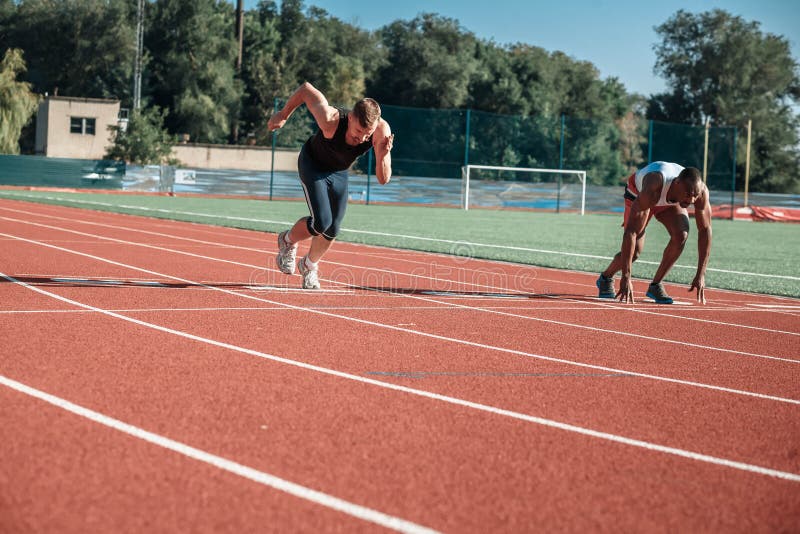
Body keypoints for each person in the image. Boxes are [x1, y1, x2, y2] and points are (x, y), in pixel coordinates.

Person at [267, 82, 394, 289]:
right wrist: (283, 113)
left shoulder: (381, 131)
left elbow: (383, 179)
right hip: (313, 164)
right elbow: (306, 90)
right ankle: (287, 240)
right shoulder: (330, 119)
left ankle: (309, 265)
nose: (361, 138)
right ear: (351, 118)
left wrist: (383, 155)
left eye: (367, 134)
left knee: (333, 228)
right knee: (321, 222)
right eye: (358, 131)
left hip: (338, 171)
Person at [596, 161, 712, 304]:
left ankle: (656, 285)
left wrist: (701, 273)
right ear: (676, 183)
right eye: (688, 194)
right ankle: (606, 278)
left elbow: (705, 230)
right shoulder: (654, 183)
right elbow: (630, 232)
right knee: (636, 250)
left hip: (668, 200)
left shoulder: (700, 193)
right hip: (638, 193)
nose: (692, 200)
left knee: (681, 234)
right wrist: (626, 277)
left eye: (695, 195)